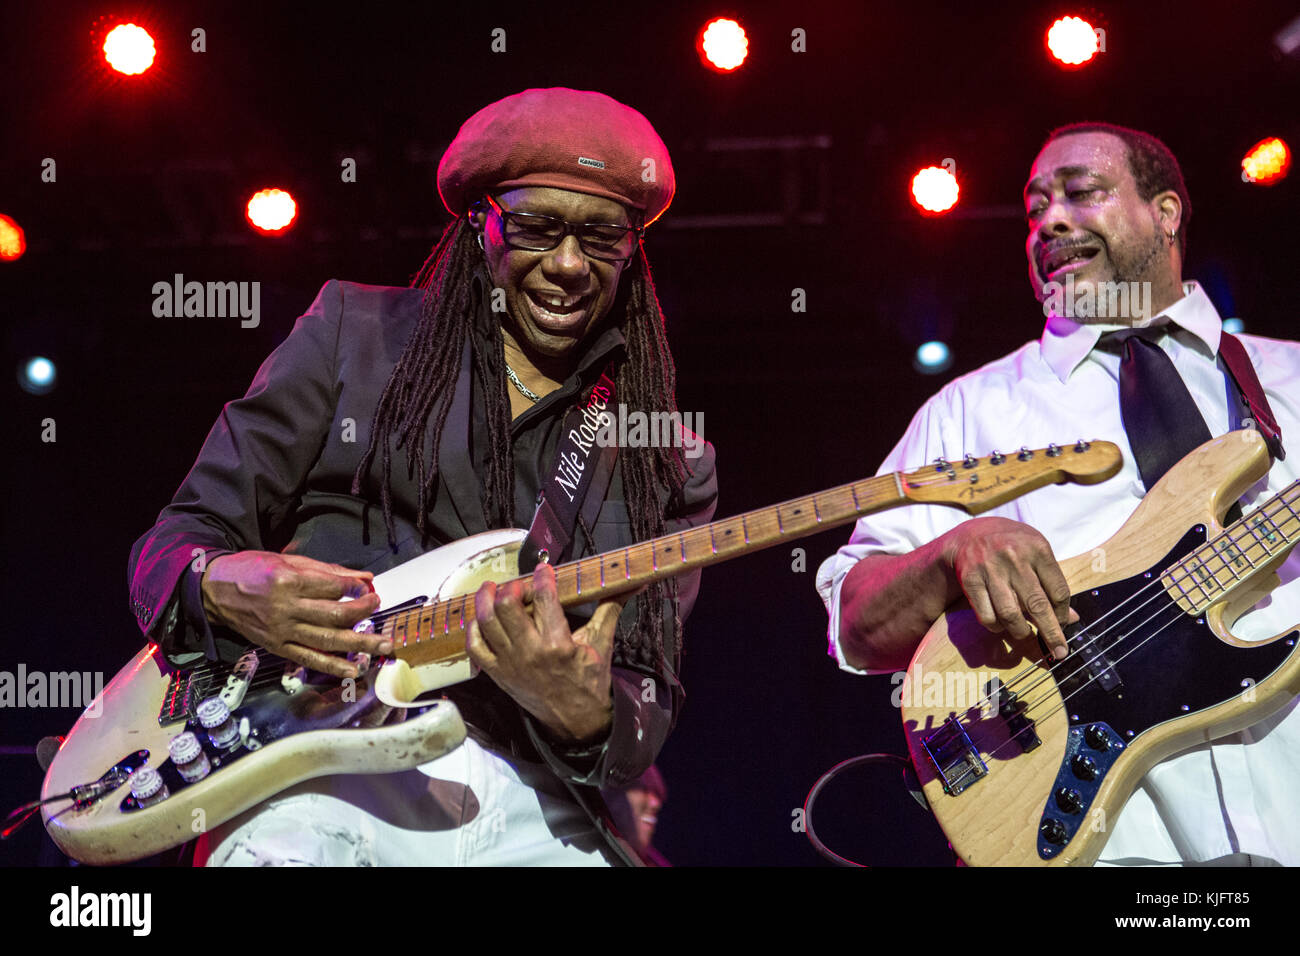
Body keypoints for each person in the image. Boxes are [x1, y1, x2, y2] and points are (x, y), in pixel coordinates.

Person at [128, 88, 717, 866]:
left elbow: (647, 702)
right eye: (538, 227)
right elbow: (175, 543)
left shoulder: (667, 455)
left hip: (531, 801)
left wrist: (587, 716)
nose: (570, 266)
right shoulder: (352, 335)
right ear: (480, 225)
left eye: (603, 238)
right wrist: (218, 581)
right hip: (318, 766)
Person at [817, 122, 1300, 866]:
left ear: (1166, 212)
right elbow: (857, 619)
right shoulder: (969, 413)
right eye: (1035, 207)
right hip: (1108, 837)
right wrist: (953, 554)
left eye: (1082, 192)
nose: (1051, 220)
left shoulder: (1288, 378)